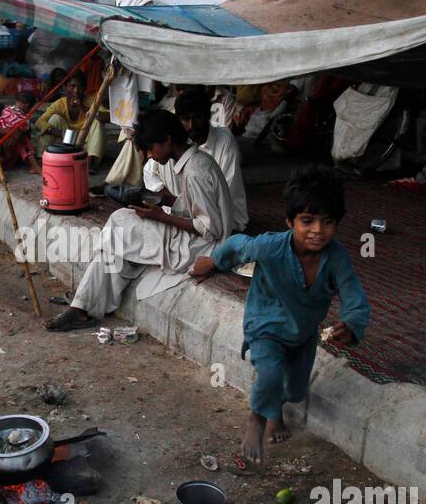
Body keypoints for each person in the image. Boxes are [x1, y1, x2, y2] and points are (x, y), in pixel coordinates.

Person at [189, 167, 370, 467]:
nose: (317, 231)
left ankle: (275, 412)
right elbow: (238, 246)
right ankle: (257, 420)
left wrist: (352, 324)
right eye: (307, 221)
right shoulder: (271, 246)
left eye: (327, 223)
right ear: (290, 221)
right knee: (270, 375)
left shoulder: (336, 258)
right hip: (265, 324)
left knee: (295, 390)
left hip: (303, 331)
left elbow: (353, 293)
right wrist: (212, 262)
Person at [44, 108, 235, 331]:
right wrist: (165, 199)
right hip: (197, 237)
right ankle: (82, 306)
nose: (150, 156)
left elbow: (209, 229)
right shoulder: (194, 163)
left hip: (202, 247)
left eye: (151, 149)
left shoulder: (196, 171)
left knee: (119, 224)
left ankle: (83, 306)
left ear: (167, 141)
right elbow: (195, 207)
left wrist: (160, 216)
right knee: (120, 230)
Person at [162, 88, 248, 232]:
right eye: (185, 119)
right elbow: (151, 173)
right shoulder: (178, 140)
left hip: (226, 218)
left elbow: (227, 193)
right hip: (190, 216)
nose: (192, 125)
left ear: (207, 116)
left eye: (196, 118)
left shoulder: (225, 140)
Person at [35, 72, 104, 169]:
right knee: (55, 118)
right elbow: (39, 122)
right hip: (65, 142)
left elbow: (106, 116)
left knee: (97, 121)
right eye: (72, 86)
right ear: (66, 87)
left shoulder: (91, 101)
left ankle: (91, 161)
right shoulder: (60, 103)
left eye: (80, 87)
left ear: (85, 89)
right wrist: (62, 134)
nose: (76, 91)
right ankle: (42, 157)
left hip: (86, 143)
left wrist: (83, 108)